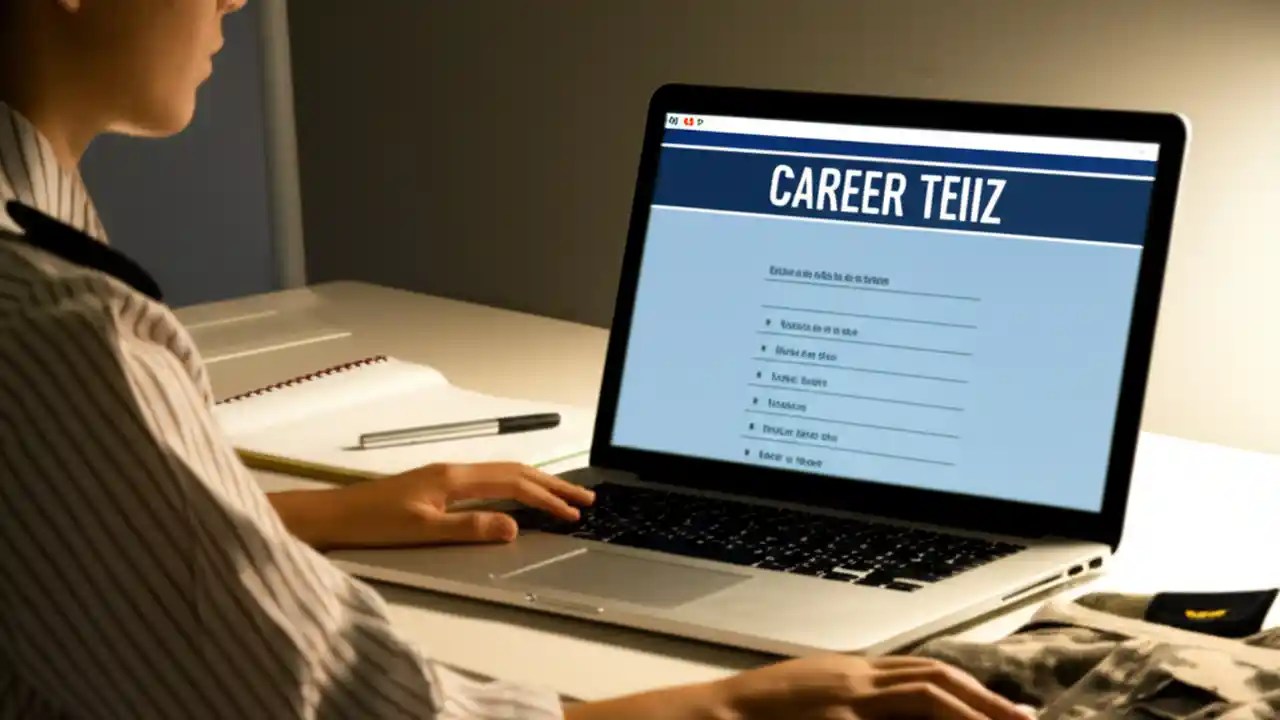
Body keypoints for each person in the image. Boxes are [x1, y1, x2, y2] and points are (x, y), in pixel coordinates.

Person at [0, 2, 1034, 719]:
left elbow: (50, 527)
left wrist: (301, 513)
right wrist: (723, 705)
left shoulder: (43, 247)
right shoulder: (58, 321)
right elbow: (330, 705)